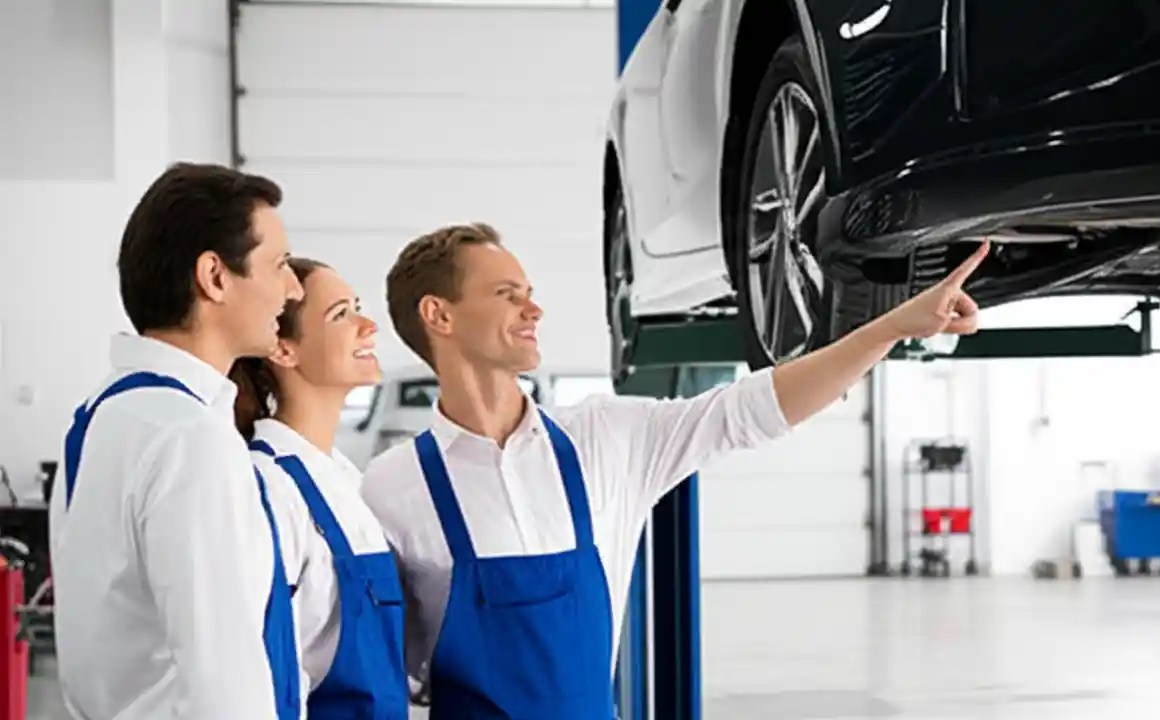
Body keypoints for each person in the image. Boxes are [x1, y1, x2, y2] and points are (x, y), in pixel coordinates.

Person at [359, 222, 989, 717]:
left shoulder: (605, 438)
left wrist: (894, 326)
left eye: (530, 293)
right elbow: (378, 670)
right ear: (438, 315)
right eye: (507, 295)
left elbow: (754, 407)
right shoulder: (389, 489)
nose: (534, 310)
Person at [49, 162, 306, 720]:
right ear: (215, 276)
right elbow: (225, 679)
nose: (293, 289)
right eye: (279, 264)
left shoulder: (102, 418)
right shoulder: (190, 438)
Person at [230, 257, 409, 719]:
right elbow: (269, 676)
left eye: (358, 307)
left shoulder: (345, 478)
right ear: (283, 349)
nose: (368, 325)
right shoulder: (270, 486)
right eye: (341, 314)